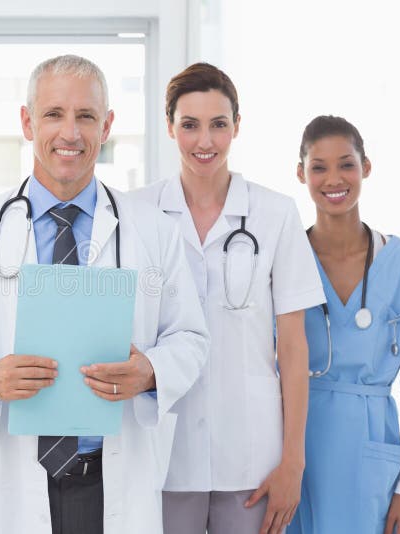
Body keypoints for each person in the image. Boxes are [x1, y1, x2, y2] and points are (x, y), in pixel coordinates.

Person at [0, 54, 209, 534]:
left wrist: (151, 371)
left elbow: (191, 338)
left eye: (86, 116)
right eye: (54, 114)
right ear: (27, 122)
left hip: (114, 479)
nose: (70, 133)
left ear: (108, 125)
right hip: (13, 484)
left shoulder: (153, 233)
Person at [132, 63, 325, 534]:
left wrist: (292, 463)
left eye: (219, 124)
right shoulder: (136, 212)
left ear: (237, 125)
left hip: (252, 458)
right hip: (162, 455)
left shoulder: (275, 213)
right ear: (169, 126)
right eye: (190, 125)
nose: (205, 141)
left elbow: (294, 348)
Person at [288, 115, 400, 534]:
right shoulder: (286, 258)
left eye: (346, 164)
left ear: (366, 167)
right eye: (319, 166)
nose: (334, 179)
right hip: (293, 447)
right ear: (301, 174)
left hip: (369, 451)